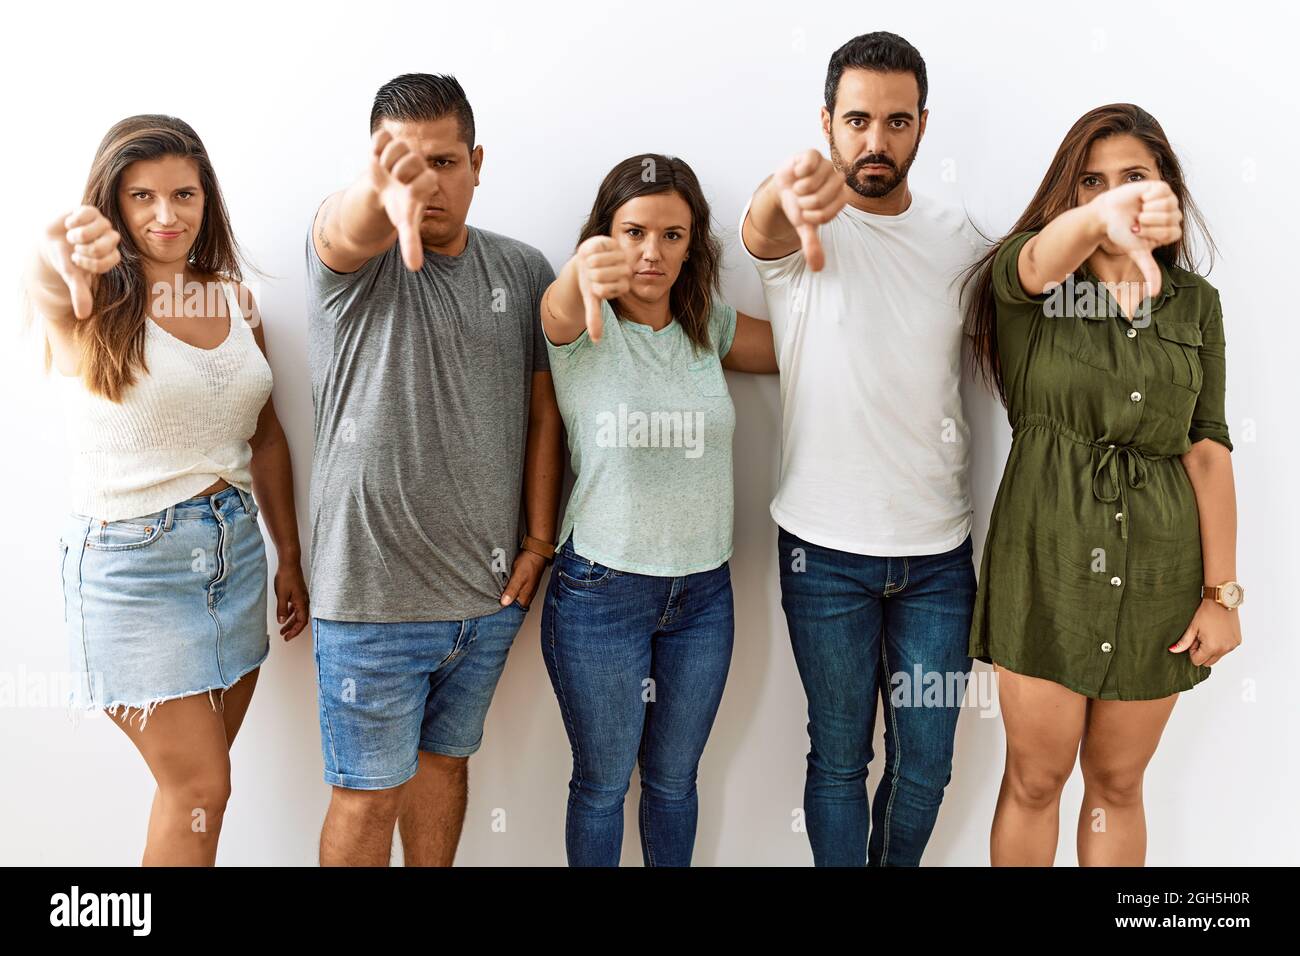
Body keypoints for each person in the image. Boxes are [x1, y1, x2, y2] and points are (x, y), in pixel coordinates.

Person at [962, 103, 1242, 866]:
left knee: (1118, 783)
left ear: (1166, 188)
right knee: (1036, 778)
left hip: (1160, 573)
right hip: (1045, 564)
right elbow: (1035, 261)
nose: (1113, 193)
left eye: (1134, 177)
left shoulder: (1196, 305)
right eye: (1092, 181)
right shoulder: (1033, 281)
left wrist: (1222, 595)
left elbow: (1207, 449)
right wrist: (1099, 220)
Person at [30, 114, 308, 865]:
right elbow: (45, 279)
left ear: (206, 199)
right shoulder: (89, 306)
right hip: (133, 568)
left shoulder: (235, 301)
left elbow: (266, 436)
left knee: (199, 793)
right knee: (199, 788)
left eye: (184, 194)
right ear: (111, 206)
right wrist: (60, 254)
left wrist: (288, 556)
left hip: (235, 555)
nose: (165, 215)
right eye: (141, 196)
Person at [306, 73, 564, 866]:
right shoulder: (353, 261)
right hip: (371, 601)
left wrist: (539, 541)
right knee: (365, 795)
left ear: (477, 162)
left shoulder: (524, 271)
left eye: (445, 163)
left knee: (444, 768)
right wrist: (374, 194)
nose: (426, 185)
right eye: (404, 166)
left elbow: (544, 416)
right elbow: (342, 227)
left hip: (484, 603)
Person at [739, 32, 981, 866]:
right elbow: (765, 224)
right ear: (827, 122)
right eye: (857, 120)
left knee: (927, 766)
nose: (876, 140)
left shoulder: (960, 238)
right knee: (839, 758)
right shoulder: (806, 225)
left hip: (939, 555)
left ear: (922, 125)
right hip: (823, 553)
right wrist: (786, 188)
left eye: (896, 121)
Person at [539, 153, 777, 866]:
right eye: (633, 232)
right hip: (602, 592)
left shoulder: (709, 327)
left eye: (672, 235)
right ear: (604, 236)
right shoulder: (581, 326)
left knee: (674, 785)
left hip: (703, 595)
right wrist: (581, 271)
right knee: (603, 786)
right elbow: (558, 302)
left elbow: (803, 347)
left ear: (692, 243)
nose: (652, 252)